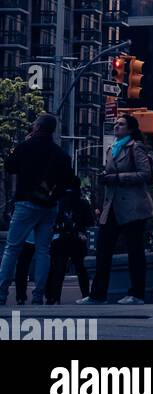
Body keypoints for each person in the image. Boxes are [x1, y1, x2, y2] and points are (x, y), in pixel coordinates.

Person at [79, 114, 153, 305]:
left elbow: (145, 174)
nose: (116, 127)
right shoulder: (111, 148)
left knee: (135, 251)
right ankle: (97, 294)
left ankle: (137, 294)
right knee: (103, 250)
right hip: (112, 205)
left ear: (130, 129)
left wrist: (118, 177)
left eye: (121, 124)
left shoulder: (135, 147)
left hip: (133, 206)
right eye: (115, 124)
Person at [0, 113, 74, 306]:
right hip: (49, 206)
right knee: (43, 251)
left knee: (12, 248)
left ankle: (1, 292)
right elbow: (69, 180)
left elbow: (9, 167)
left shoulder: (25, 147)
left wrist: (20, 148)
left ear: (37, 127)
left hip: (26, 203)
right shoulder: (60, 154)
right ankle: (38, 294)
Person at [46, 180, 94, 303]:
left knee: (58, 269)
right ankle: (85, 295)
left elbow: (52, 221)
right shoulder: (82, 203)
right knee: (80, 269)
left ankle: (54, 297)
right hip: (78, 238)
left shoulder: (59, 202)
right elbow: (90, 222)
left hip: (60, 238)